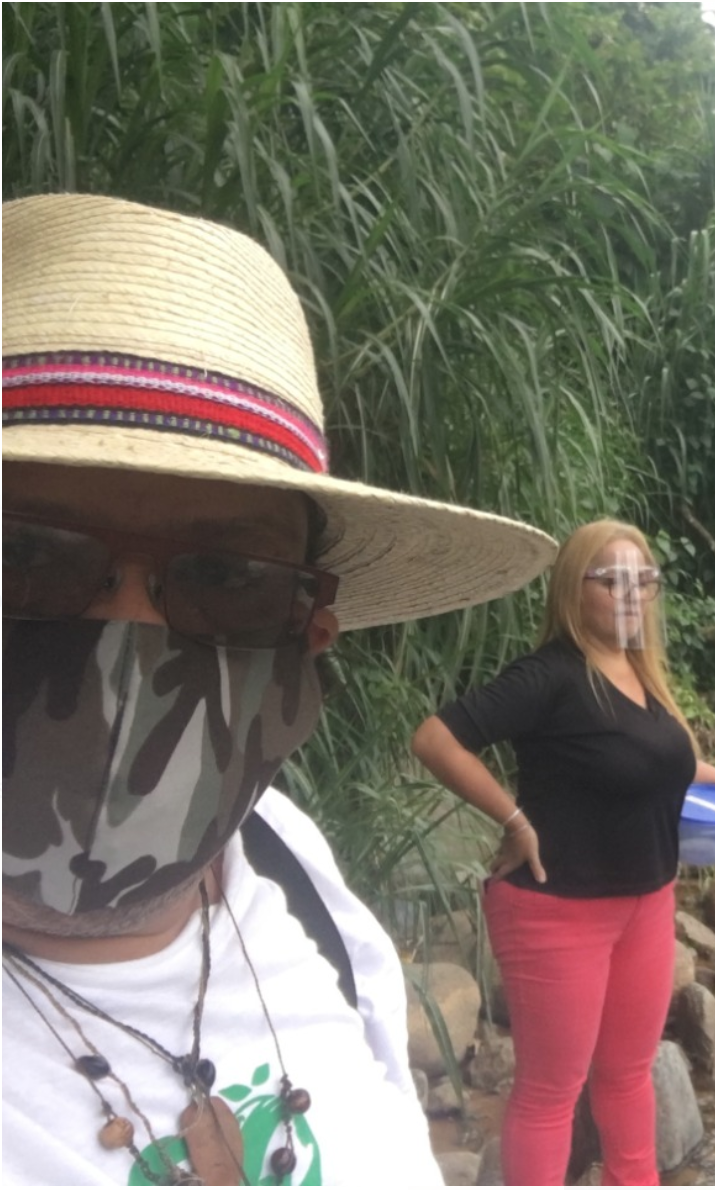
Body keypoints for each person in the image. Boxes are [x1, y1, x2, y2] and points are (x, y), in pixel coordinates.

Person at [2, 193, 558, 1184]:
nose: (128, 633)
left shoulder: (292, 867)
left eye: (226, 577)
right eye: (25, 557)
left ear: (309, 641)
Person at [411, 519, 715, 1186]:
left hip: (646, 903)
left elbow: (671, 761)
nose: (633, 594)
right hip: (558, 911)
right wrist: (514, 818)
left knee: (629, 1075)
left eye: (645, 580)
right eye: (614, 580)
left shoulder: (641, 672)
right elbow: (436, 739)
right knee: (552, 1091)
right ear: (576, 590)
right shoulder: (548, 676)